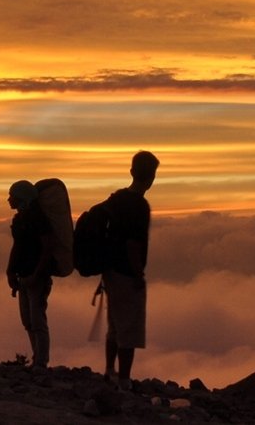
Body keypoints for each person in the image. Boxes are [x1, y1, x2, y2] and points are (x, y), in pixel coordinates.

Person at [102, 150, 159, 388]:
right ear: (152, 176)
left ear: (132, 171)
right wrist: (138, 275)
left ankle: (109, 371)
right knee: (129, 328)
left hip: (111, 270)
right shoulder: (139, 206)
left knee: (115, 324)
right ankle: (124, 381)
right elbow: (133, 244)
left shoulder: (116, 199)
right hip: (127, 273)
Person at [6, 180, 55, 367]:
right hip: (25, 275)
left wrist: (37, 274)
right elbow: (17, 246)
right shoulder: (20, 220)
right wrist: (10, 272)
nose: (9, 199)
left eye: (12, 195)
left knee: (37, 321)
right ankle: (38, 360)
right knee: (28, 321)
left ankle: (41, 362)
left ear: (22, 197)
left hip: (37, 277)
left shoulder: (38, 219)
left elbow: (48, 247)